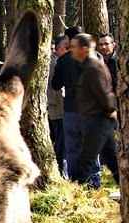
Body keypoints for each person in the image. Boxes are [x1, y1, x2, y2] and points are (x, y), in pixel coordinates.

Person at [51, 25, 101, 185]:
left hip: (71, 110)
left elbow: (55, 84)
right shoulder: (96, 57)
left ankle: (76, 181)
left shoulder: (63, 60)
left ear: (69, 39)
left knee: (72, 149)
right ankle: (94, 180)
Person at [69, 33, 119, 187]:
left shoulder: (93, 67)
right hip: (97, 119)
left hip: (99, 120)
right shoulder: (88, 66)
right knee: (112, 161)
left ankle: (75, 197)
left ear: (84, 49)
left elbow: (103, 93)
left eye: (74, 47)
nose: (72, 50)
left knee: (85, 161)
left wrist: (111, 110)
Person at [47, 36, 66, 177]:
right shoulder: (54, 63)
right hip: (58, 109)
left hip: (53, 109)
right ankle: (62, 172)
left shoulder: (54, 62)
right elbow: (56, 90)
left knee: (58, 142)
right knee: (61, 143)